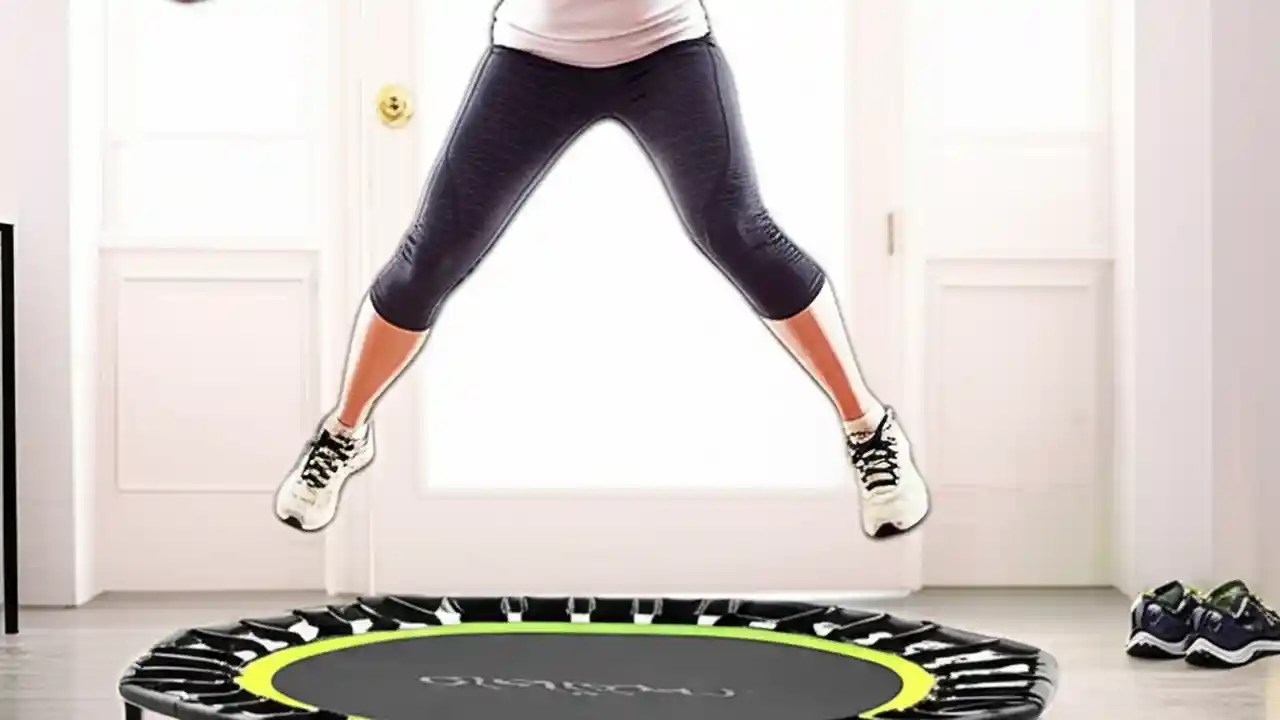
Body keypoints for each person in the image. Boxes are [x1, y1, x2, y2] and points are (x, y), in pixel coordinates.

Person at [274, 0, 931, 539]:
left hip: (668, 52)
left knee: (737, 230)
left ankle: (868, 428)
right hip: (532, 61)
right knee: (433, 253)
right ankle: (345, 433)